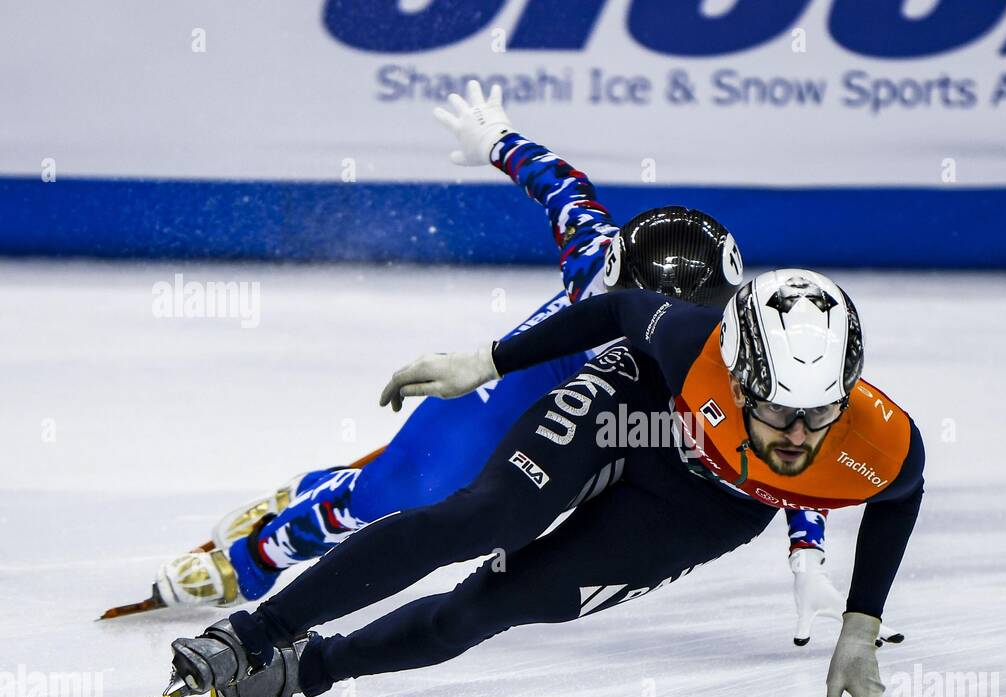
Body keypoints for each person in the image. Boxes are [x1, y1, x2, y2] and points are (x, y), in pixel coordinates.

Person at [151, 82, 850, 647]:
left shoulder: (734, 338)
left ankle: (321, 493)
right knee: (403, 495)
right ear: (616, 281)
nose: (683, 335)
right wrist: (495, 140)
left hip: (606, 423)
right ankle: (253, 559)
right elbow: (562, 188)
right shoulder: (596, 262)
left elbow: (780, 447)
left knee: (472, 515)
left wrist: (806, 549)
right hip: (518, 389)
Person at [156, 268, 924, 697]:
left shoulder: (881, 441)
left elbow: (900, 497)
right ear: (735, 372)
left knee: (494, 606)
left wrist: (861, 625)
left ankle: (305, 669)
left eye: (815, 415)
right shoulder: (695, 343)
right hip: (633, 407)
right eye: (772, 412)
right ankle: (250, 634)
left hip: (706, 508)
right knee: (485, 519)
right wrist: (485, 362)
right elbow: (619, 307)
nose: (794, 438)